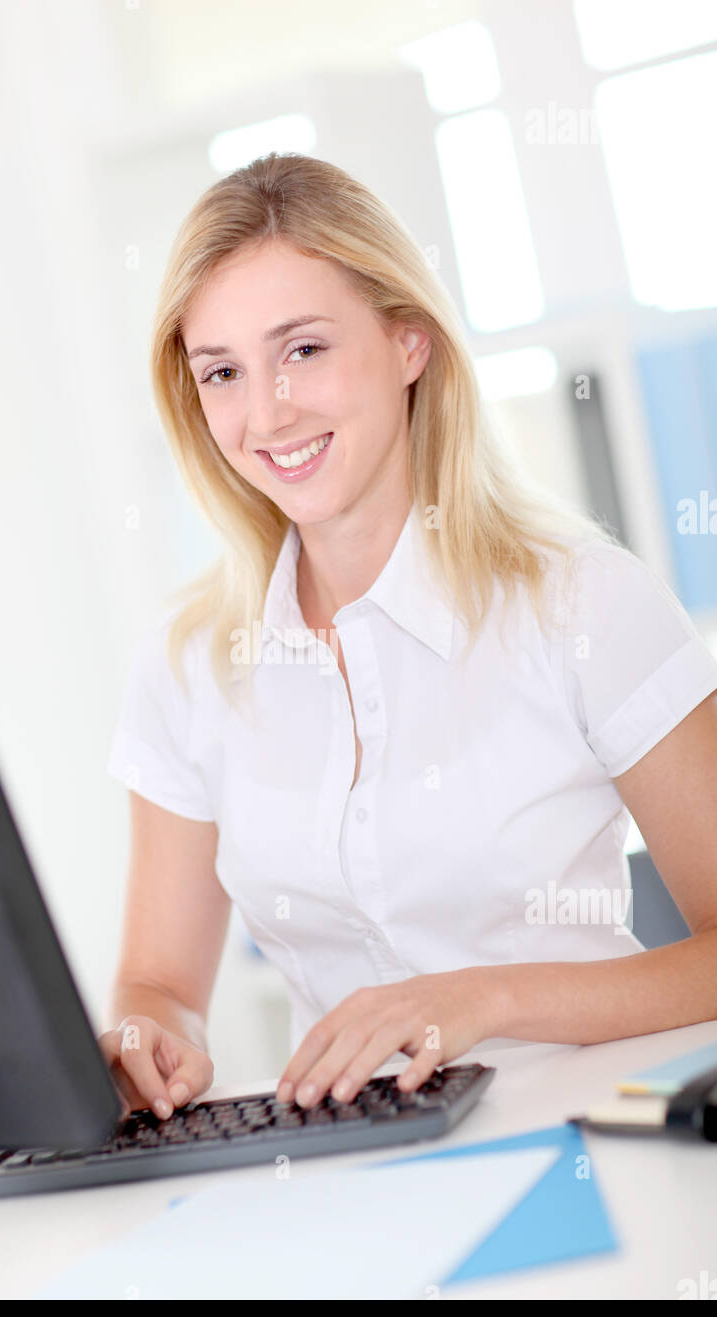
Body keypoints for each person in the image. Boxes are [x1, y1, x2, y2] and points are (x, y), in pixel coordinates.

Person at [99, 152, 717, 1122]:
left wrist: (483, 997)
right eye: (222, 371)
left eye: (302, 350)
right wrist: (146, 1040)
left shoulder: (580, 602)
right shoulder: (187, 663)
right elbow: (159, 985)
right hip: (340, 1173)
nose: (266, 413)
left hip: (590, 1145)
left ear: (406, 345)